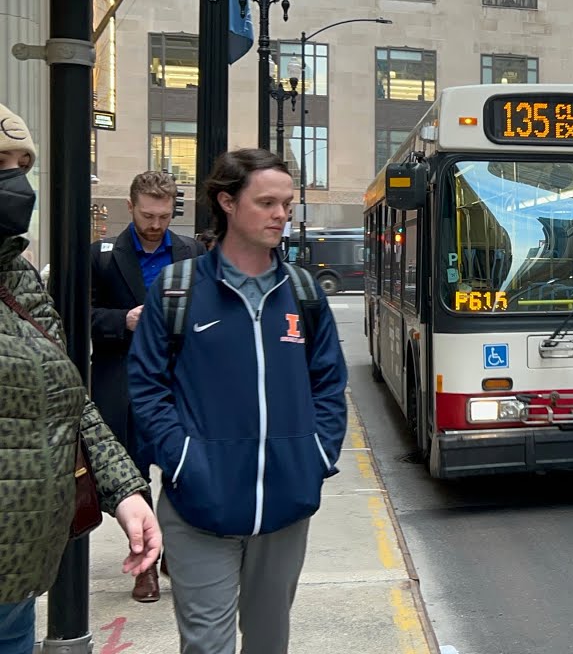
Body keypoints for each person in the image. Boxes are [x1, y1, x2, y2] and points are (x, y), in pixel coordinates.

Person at [128, 148, 348, 654]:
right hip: (199, 506)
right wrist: (182, 459)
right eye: (266, 203)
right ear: (227, 202)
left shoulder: (304, 293)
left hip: (285, 505)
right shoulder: (178, 290)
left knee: (269, 642)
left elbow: (329, 385)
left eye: (287, 204)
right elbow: (147, 387)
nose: (280, 215)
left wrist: (315, 456)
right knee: (207, 645)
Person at [0, 102, 162, 653]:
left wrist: (124, 492)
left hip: (20, 575)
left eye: (21, 166)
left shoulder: (18, 278)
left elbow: (65, 395)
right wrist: (122, 321)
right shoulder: (100, 256)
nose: (16, 185)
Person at [90, 170, 201, 602]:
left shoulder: (191, 252)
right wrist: (124, 320)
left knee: (181, 469)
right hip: (125, 378)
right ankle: (145, 564)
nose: (155, 224)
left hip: (180, 378)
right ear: (130, 207)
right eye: (147, 215)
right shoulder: (101, 257)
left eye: (164, 216)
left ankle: (174, 550)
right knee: (133, 474)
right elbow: (77, 315)